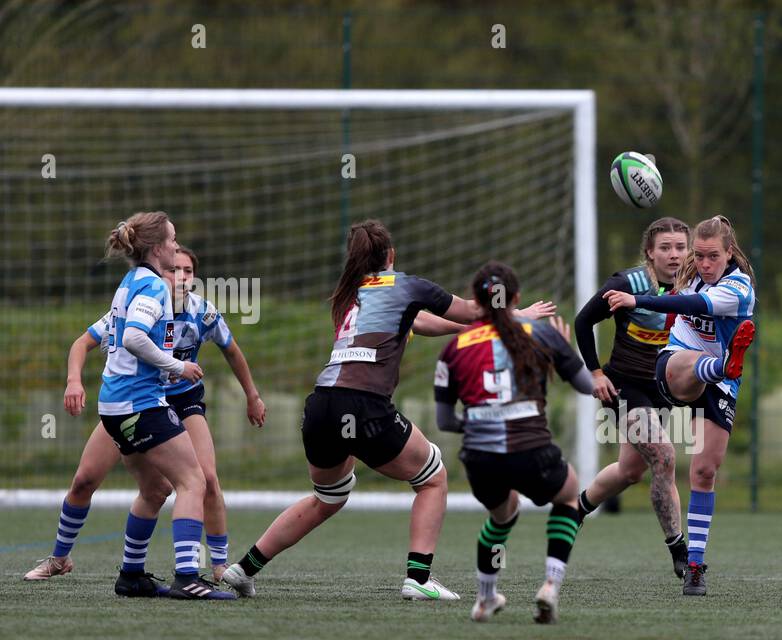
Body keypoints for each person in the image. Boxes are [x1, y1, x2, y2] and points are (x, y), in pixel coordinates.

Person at [221, 220, 554, 601]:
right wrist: (518, 316)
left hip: (321, 407)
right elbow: (470, 311)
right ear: (391, 256)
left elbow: (425, 323)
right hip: (363, 406)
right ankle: (418, 578)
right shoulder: (407, 286)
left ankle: (243, 568)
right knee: (433, 477)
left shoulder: (350, 295)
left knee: (327, 497)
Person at [24, 246, 266, 583]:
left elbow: (232, 351)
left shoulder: (203, 313)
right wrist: (73, 381)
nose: (180, 277)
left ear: (194, 278)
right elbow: (82, 343)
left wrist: (252, 396)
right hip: (137, 402)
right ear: (161, 273)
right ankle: (59, 559)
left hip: (181, 403)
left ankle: (220, 566)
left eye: (187, 271)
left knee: (205, 479)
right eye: (173, 270)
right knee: (84, 480)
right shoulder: (138, 307)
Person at [602, 214, 757, 596]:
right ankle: (721, 364)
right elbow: (672, 285)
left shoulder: (739, 288)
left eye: (712, 257)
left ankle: (694, 567)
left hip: (721, 383)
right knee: (683, 372)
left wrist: (638, 299)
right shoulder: (689, 270)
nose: (704, 264)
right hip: (678, 366)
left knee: (704, 470)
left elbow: (696, 302)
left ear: (729, 253)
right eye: (699, 256)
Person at [435, 262, 594, 623]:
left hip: (480, 459)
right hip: (531, 451)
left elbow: (445, 421)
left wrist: (479, 424)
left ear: (476, 302)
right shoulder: (541, 333)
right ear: (517, 298)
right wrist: (564, 348)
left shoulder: (454, 347)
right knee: (569, 495)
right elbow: (587, 386)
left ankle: (485, 598)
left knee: (503, 513)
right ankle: (550, 586)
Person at [96, 212, 235, 599]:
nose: (177, 244)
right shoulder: (156, 286)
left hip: (113, 406)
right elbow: (135, 339)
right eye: (173, 239)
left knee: (154, 490)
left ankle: (131, 575)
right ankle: (188, 577)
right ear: (157, 248)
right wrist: (177, 365)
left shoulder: (131, 281)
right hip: (139, 404)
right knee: (194, 481)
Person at [573, 217, 692, 577]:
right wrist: (595, 373)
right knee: (664, 456)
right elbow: (582, 321)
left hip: (662, 390)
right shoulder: (627, 283)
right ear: (649, 253)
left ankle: (574, 510)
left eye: (680, 247)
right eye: (665, 248)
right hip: (625, 387)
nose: (674, 255)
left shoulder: (695, 286)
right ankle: (680, 551)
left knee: (629, 472)